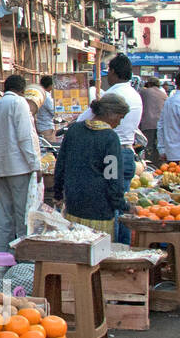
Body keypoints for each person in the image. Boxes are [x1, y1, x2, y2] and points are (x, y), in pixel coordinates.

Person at [77, 54, 143, 244]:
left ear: (113, 72)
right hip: (128, 153)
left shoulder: (111, 96)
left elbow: (83, 120)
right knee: (123, 205)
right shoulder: (136, 95)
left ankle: (112, 252)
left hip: (109, 155)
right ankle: (124, 249)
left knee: (110, 206)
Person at [52, 93, 128, 237]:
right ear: (111, 114)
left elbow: (60, 165)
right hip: (100, 208)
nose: (119, 123)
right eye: (120, 117)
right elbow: (112, 177)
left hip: (74, 204)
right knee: (98, 252)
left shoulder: (74, 130)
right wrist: (122, 205)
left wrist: (57, 192)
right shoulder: (110, 137)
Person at [0, 75, 41, 253]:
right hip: (20, 168)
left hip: (1, 168)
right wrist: (35, 165)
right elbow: (26, 138)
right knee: (23, 216)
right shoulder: (20, 104)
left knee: (3, 217)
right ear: (22, 90)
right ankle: (22, 256)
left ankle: (2, 255)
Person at [138, 77, 168, 166]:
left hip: (147, 124)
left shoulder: (144, 92)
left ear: (149, 84)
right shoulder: (163, 94)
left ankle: (150, 166)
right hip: (161, 124)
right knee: (158, 147)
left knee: (148, 148)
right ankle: (159, 165)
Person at [35, 75, 57, 144]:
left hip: (40, 124)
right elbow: (54, 111)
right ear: (50, 85)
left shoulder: (39, 94)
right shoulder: (46, 96)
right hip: (46, 127)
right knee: (50, 148)